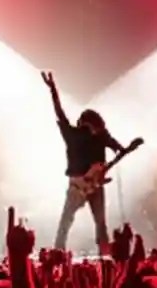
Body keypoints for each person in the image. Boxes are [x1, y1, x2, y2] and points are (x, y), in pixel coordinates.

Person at [43, 71, 127, 254]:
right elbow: (60, 114)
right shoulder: (75, 134)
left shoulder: (98, 135)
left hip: (93, 184)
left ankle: (102, 254)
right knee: (72, 221)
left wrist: (122, 150)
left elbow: (115, 145)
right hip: (79, 185)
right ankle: (61, 253)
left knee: (93, 222)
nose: (98, 131)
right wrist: (53, 90)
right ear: (88, 124)